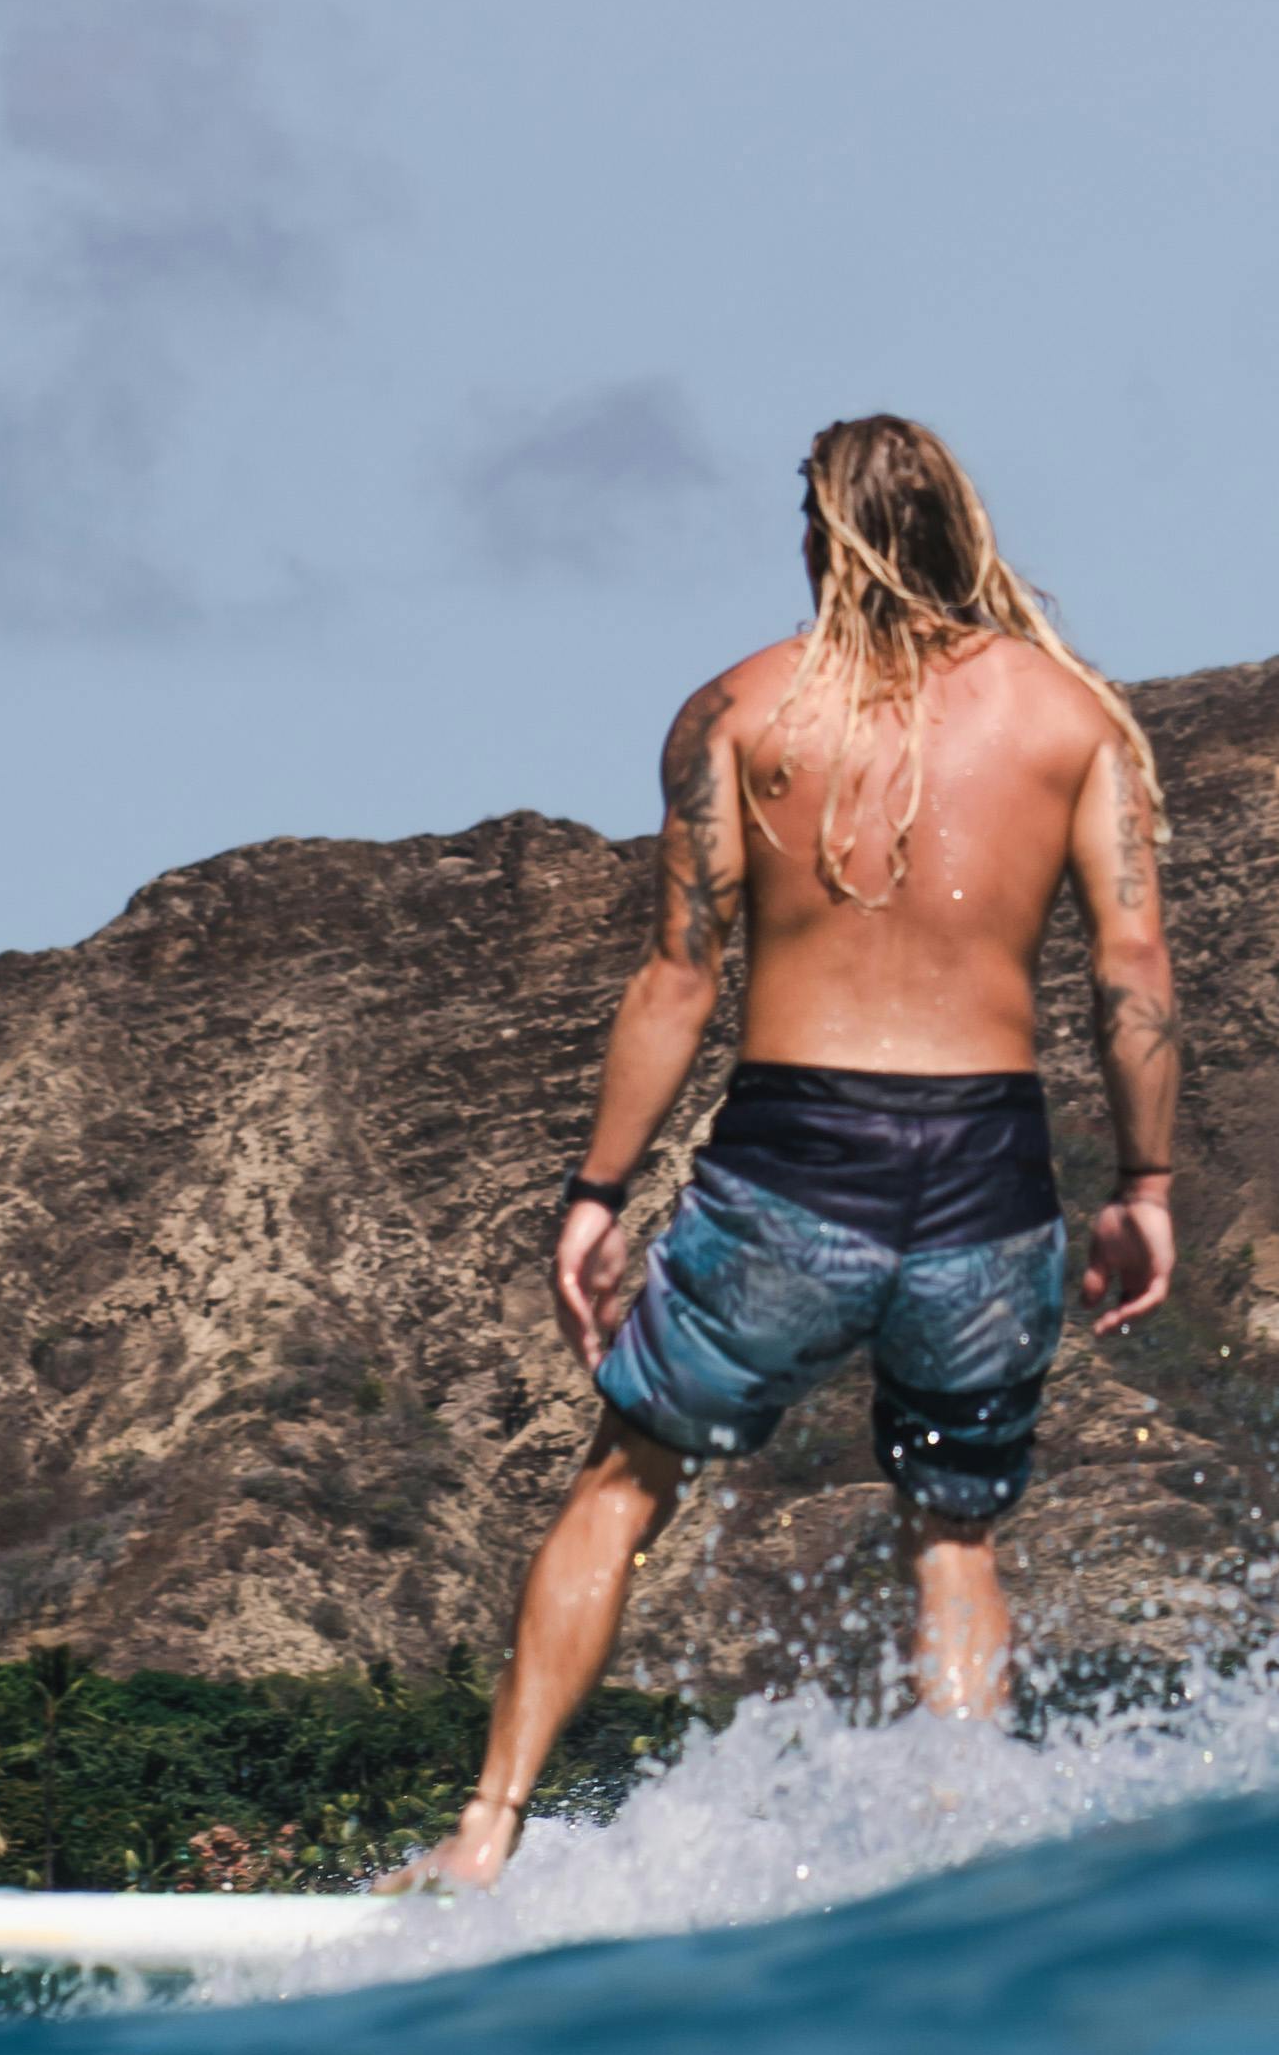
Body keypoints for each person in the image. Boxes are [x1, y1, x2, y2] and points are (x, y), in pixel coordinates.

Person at [417, 413, 1178, 1890]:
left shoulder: (742, 715)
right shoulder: (1072, 718)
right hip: (984, 1177)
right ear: (963, 526)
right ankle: (962, 1857)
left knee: (626, 1482)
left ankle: (485, 1835)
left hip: (792, 1167)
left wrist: (594, 1196)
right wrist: (1146, 1187)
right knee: (952, 1537)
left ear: (821, 537)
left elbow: (677, 981)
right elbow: (1132, 967)